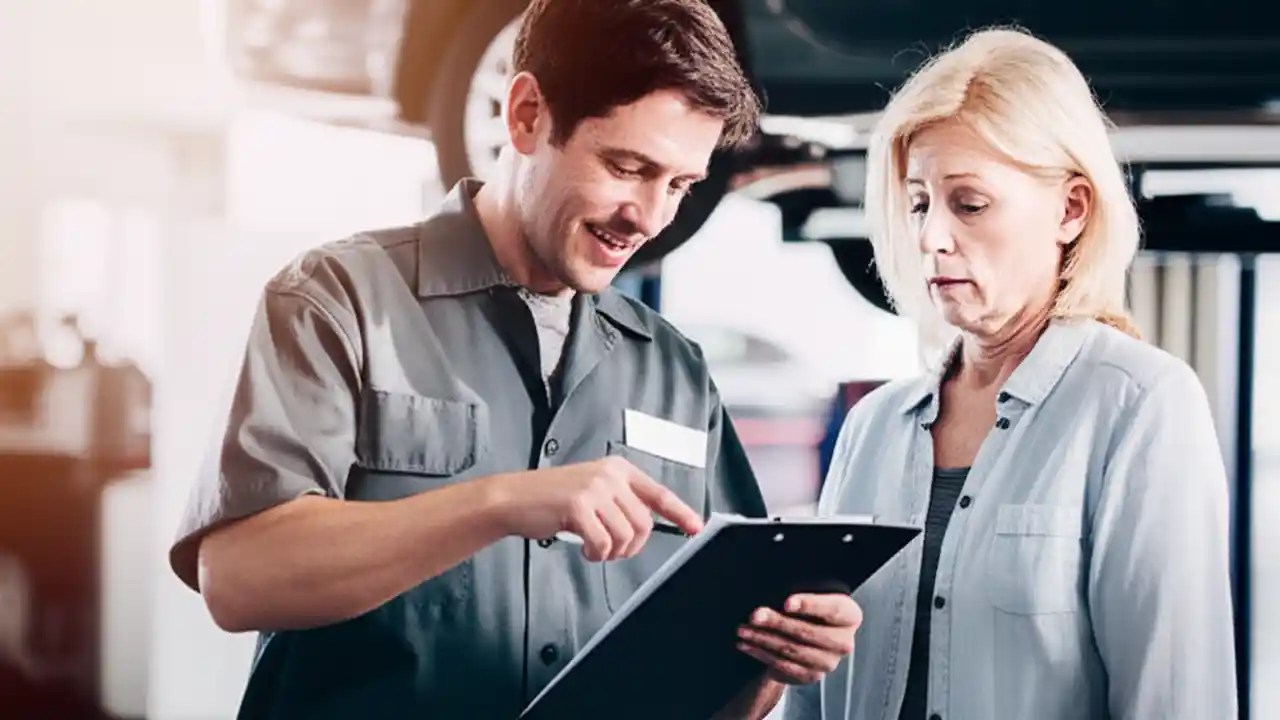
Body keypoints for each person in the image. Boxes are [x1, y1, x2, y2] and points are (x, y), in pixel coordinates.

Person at [170, 1, 861, 717]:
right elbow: (241, 578)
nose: (650, 217)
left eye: (680, 186)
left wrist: (777, 658)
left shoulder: (674, 372)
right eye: (627, 167)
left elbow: (711, 676)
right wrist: (501, 502)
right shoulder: (337, 301)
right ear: (526, 114)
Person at [784, 27, 1237, 720]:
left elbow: (1176, 701)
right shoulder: (872, 427)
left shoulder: (1140, 405)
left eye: (969, 204)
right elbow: (812, 699)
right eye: (918, 203)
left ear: (1070, 209)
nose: (933, 236)